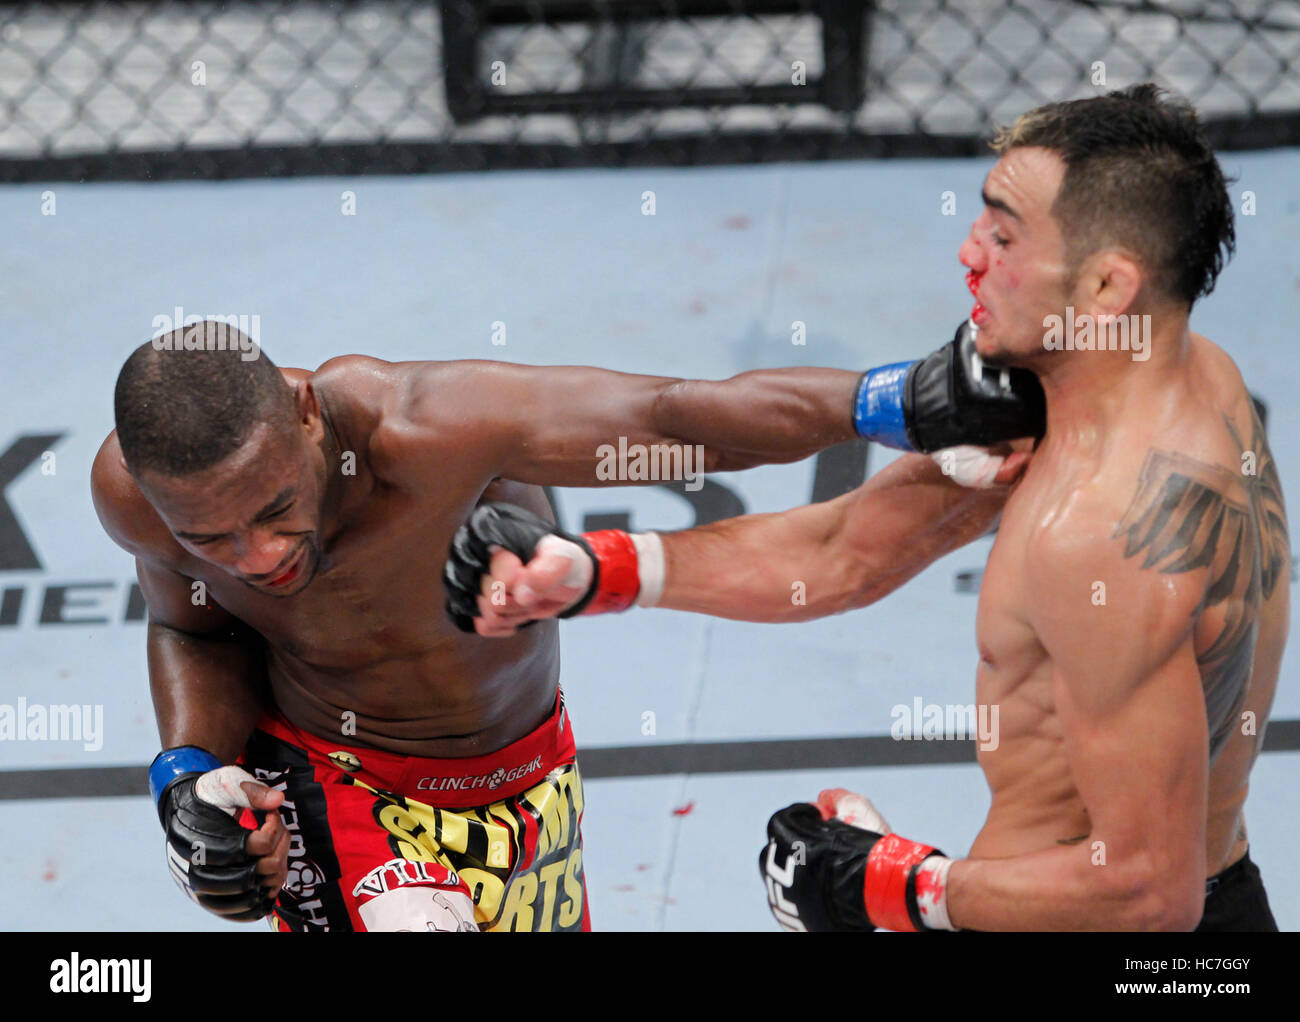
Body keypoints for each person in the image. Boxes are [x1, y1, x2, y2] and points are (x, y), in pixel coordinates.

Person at [446, 85, 1287, 932]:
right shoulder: (1179, 376)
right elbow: (843, 553)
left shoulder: (1098, 534)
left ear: (1108, 285)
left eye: (1003, 235)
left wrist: (891, 888)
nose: (969, 252)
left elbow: (1148, 894)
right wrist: (599, 571)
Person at [91, 322, 1038, 931]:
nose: (257, 557)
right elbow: (199, 631)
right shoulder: (132, 498)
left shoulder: (429, 429)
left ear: (304, 415)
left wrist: (894, 401)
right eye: (210, 536)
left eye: (273, 509)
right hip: (335, 777)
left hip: (527, 773)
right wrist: (187, 775)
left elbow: (668, 417)